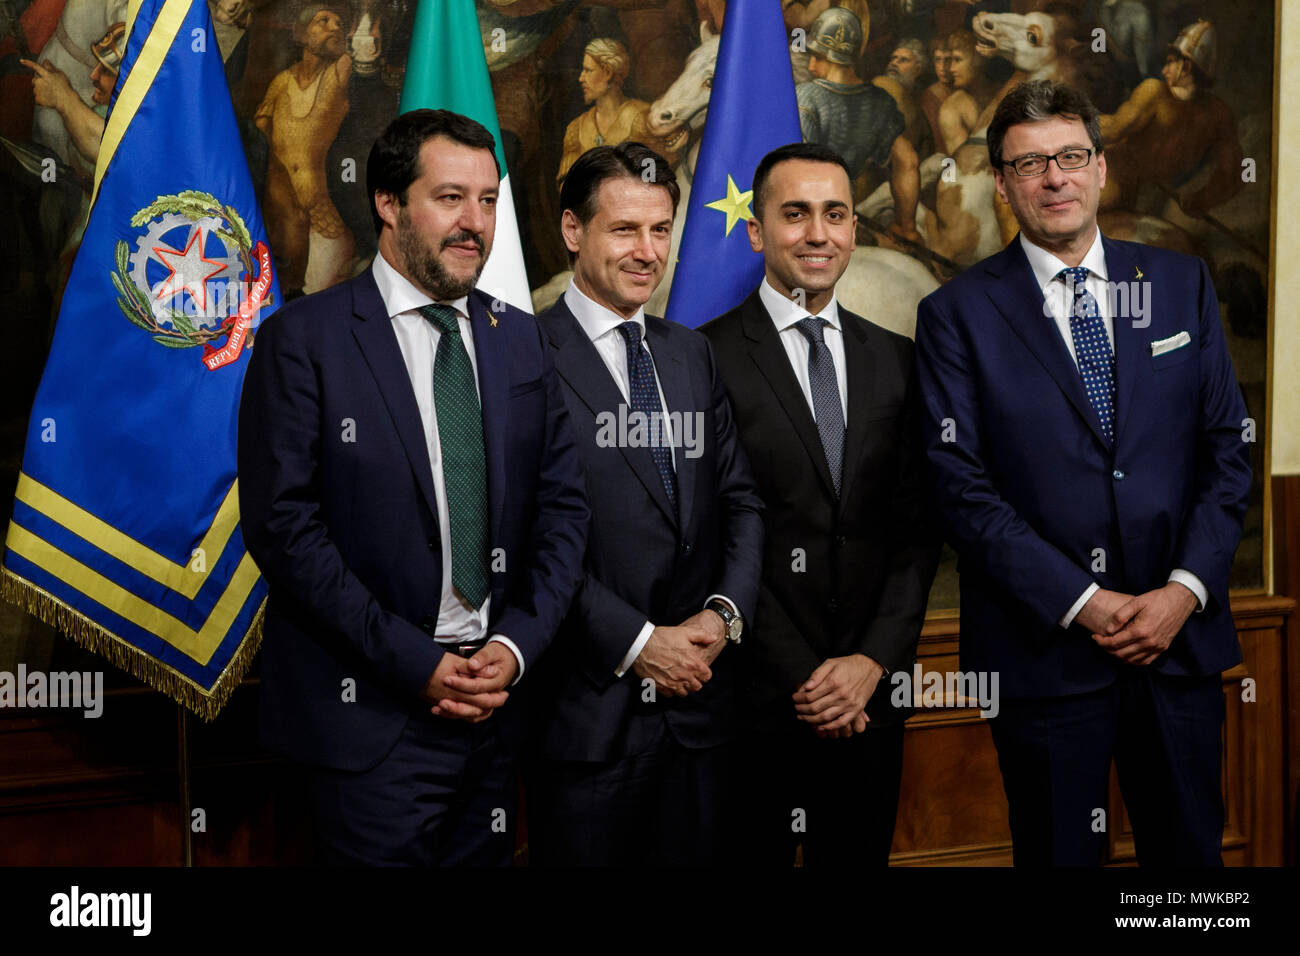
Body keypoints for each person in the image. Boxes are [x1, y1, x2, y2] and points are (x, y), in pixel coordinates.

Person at [237, 109, 589, 866]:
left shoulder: (521, 337)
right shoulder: (304, 340)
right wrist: (414, 662)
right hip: (368, 723)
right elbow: (283, 530)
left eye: (489, 200)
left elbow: (563, 509)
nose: (476, 224)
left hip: (497, 717)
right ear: (389, 204)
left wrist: (518, 646)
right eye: (451, 198)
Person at [913, 79, 1251, 866]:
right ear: (1001, 184)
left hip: (1180, 647)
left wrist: (1180, 594)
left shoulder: (1178, 285)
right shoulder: (956, 314)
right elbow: (959, 487)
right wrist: (1087, 604)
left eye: (1069, 157)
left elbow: (1227, 452)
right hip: (1045, 658)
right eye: (1029, 164)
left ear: (1101, 168)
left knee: (1190, 876)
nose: (1053, 178)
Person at [700, 142, 938, 866]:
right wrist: (804, 676)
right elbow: (711, 535)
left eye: (835, 214)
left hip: (872, 699)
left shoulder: (897, 358)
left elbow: (918, 531)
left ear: (853, 231)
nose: (817, 233)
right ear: (756, 231)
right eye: (795, 214)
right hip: (757, 702)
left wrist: (870, 659)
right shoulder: (701, 358)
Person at [526, 142, 764, 866]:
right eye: (625, 229)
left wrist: (722, 619)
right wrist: (638, 644)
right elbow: (521, 538)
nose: (648, 251)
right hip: (588, 721)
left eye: (661, 229)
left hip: (701, 712)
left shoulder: (690, 353)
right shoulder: (521, 357)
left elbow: (742, 503)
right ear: (573, 230)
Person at [795, 5, 920, 242]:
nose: (811, 66)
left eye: (818, 57)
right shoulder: (880, 102)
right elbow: (908, 162)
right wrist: (907, 228)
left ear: (834, 57)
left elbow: (801, 172)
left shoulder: (805, 97)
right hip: (850, 211)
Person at [255, 3, 354, 294]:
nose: (335, 27)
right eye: (323, 21)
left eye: (339, 24)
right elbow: (261, 137)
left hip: (320, 215)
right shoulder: (280, 83)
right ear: (300, 34)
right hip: (278, 213)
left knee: (315, 304)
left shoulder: (339, 71)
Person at [1099, 19, 1242, 219]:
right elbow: (1232, 175)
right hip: (1143, 196)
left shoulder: (1154, 92)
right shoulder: (1219, 113)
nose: (1165, 70)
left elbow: (1113, 129)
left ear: (1186, 67)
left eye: (1171, 63)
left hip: (1116, 186)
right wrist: (1199, 200)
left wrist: (1072, 118)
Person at [556, 38, 676, 184]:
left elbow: (658, 177)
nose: (581, 78)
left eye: (588, 70)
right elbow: (566, 183)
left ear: (607, 72)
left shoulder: (644, 117)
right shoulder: (576, 129)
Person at [22, 22, 125, 166]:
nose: (93, 76)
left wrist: (62, 96)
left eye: (107, 71)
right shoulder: (101, 112)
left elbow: (117, 153)